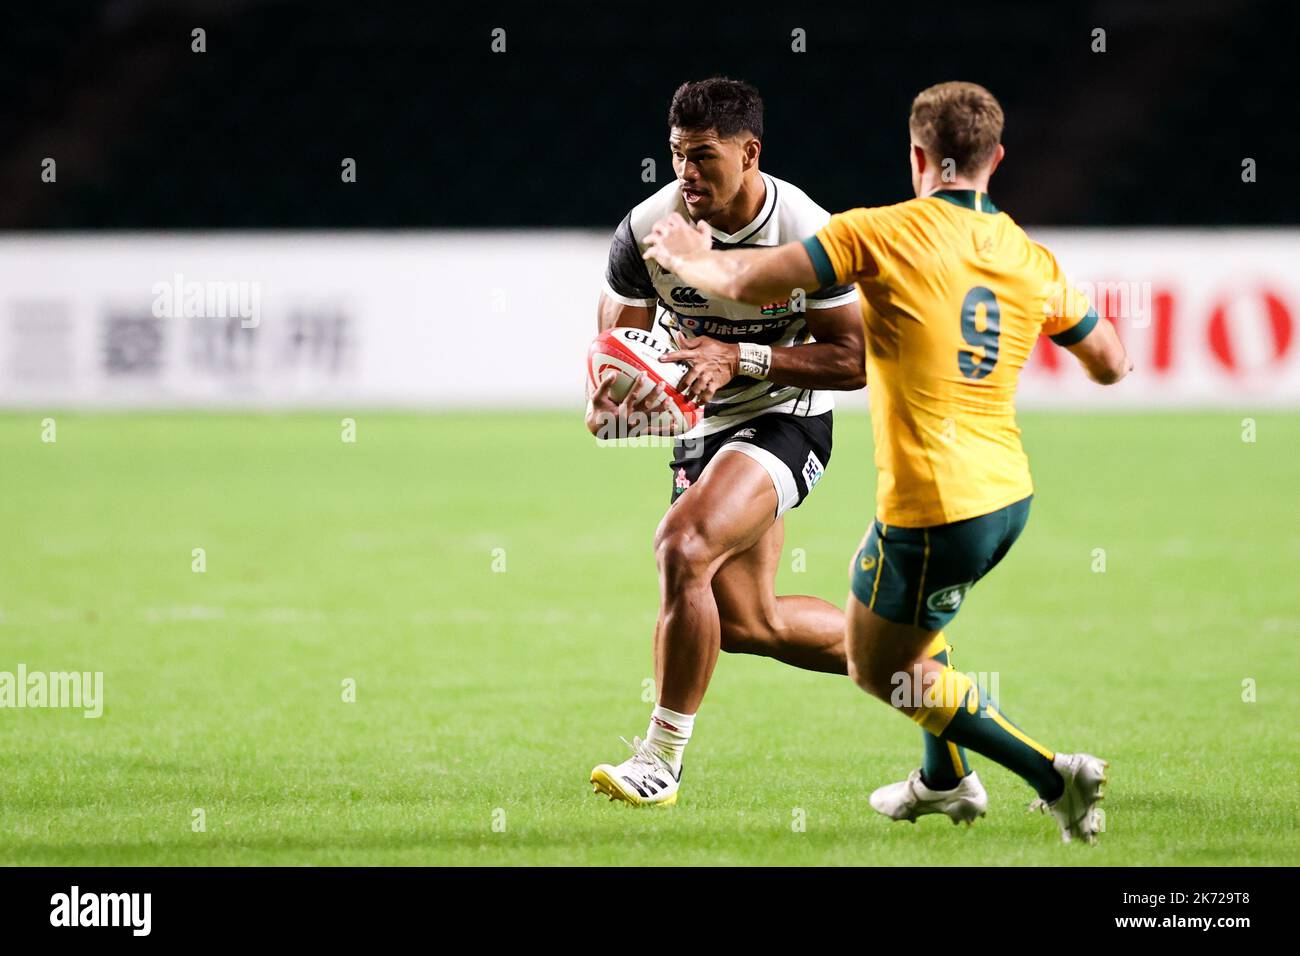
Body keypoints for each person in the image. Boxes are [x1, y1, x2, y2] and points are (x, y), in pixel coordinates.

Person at [641, 81, 1131, 842]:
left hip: (932, 505)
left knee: (883, 669)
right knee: (910, 637)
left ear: (916, 156)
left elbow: (745, 278)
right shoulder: (1028, 256)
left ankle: (1054, 775)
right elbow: (1110, 363)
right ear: (995, 160)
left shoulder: (878, 233)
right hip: (1008, 499)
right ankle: (942, 782)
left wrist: (686, 256)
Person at [586, 77, 865, 806]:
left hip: (786, 416)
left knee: (683, 546)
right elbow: (617, 343)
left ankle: (660, 761)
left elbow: (857, 360)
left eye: (704, 156)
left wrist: (741, 357)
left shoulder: (805, 229)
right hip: (703, 424)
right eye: (677, 154)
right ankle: (911, 661)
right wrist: (613, 397)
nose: (687, 172)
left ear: (750, 153)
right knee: (749, 621)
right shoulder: (647, 228)